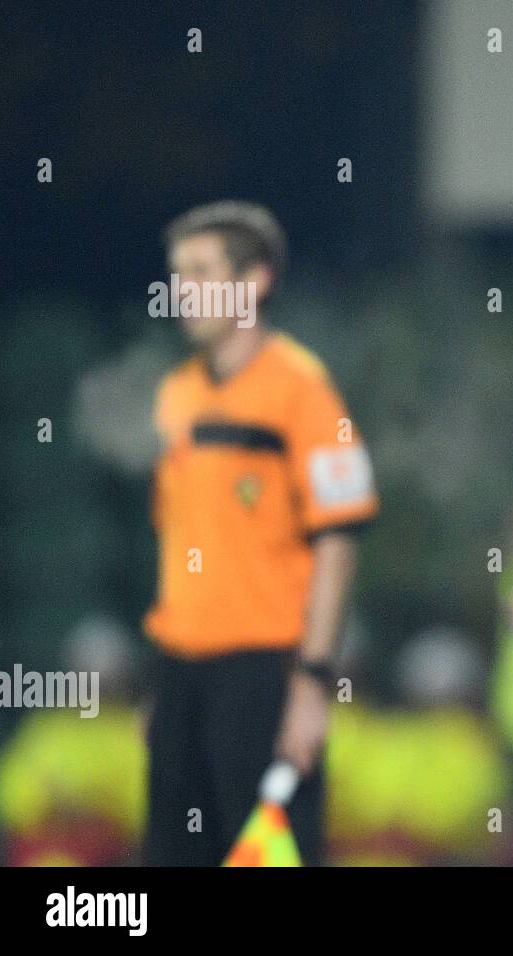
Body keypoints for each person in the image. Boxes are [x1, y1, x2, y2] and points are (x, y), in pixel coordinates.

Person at [143, 201, 379, 865]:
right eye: (176, 272)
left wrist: (310, 685)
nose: (180, 289)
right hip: (183, 674)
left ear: (254, 283)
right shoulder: (176, 394)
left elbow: (339, 539)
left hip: (263, 678)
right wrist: (166, 692)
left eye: (199, 271)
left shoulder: (302, 390)